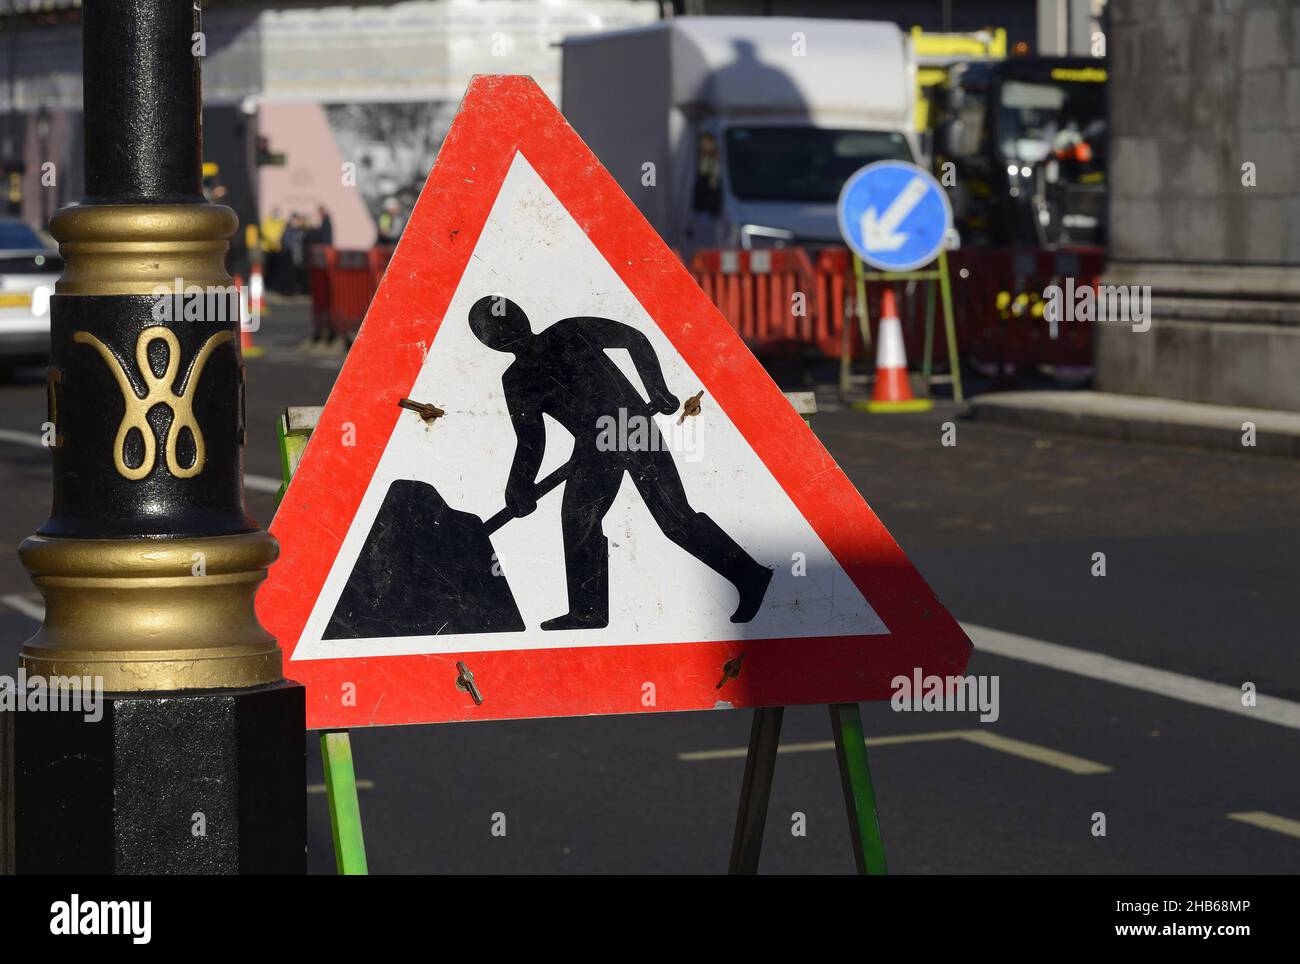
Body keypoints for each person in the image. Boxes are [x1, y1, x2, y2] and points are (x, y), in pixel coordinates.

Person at [467, 295, 773, 630]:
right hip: (598, 442)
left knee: (669, 518)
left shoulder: (566, 332)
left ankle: (750, 575)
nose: (504, 332)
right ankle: (588, 611)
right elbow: (530, 440)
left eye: (504, 323)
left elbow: (632, 339)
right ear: (491, 342)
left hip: (630, 425)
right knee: (583, 519)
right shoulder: (518, 378)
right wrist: (518, 485)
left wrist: (657, 388)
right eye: (496, 329)